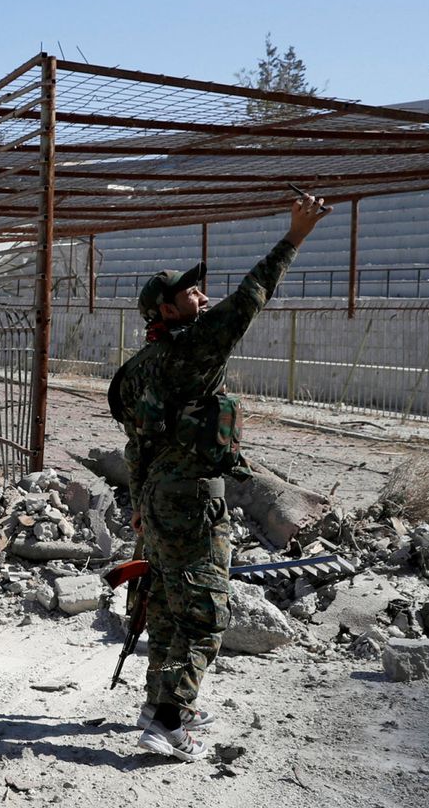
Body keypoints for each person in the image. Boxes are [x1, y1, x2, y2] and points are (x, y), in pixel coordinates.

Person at [108, 193, 330, 761]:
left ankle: (159, 700)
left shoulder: (136, 371)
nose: (202, 296)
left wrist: (137, 502)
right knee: (206, 612)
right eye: (190, 292)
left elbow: (137, 442)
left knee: (163, 604)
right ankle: (169, 720)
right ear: (165, 310)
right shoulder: (193, 350)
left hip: (157, 500)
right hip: (191, 502)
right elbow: (251, 298)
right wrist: (295, 236)